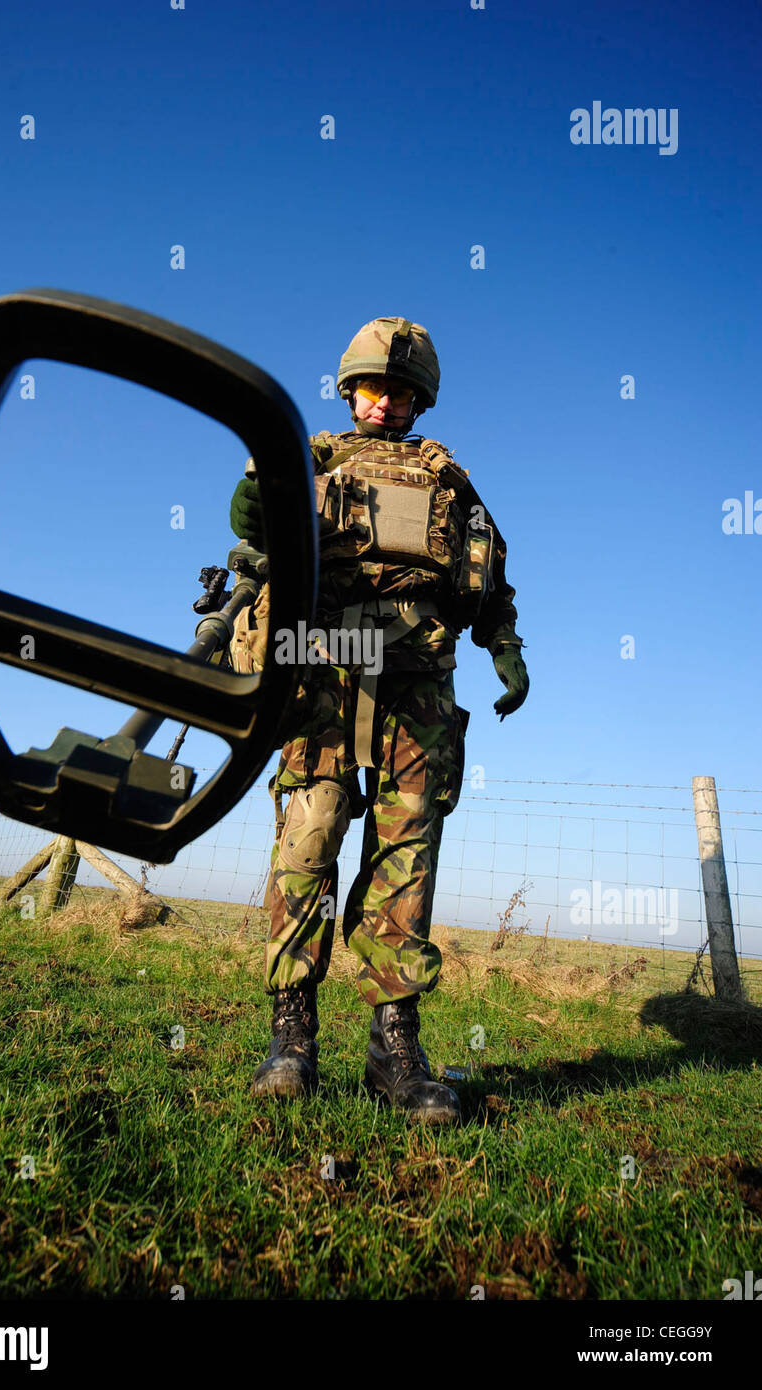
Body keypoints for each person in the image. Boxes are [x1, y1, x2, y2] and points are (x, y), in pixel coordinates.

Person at [229, 317, 528, 1123]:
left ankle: (392, 1044)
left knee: (407, 852)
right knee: (311, 834)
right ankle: (290, 1035)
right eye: (371, 387)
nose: (383, 402)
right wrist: (258, 486)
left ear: (417, 399)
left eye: (398, 390)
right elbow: (252, 527)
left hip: (419, 681)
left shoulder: (450, 480)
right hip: (323, 666)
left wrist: (505, 647)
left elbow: (487, 571)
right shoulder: (313, 458)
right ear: (348, 390)